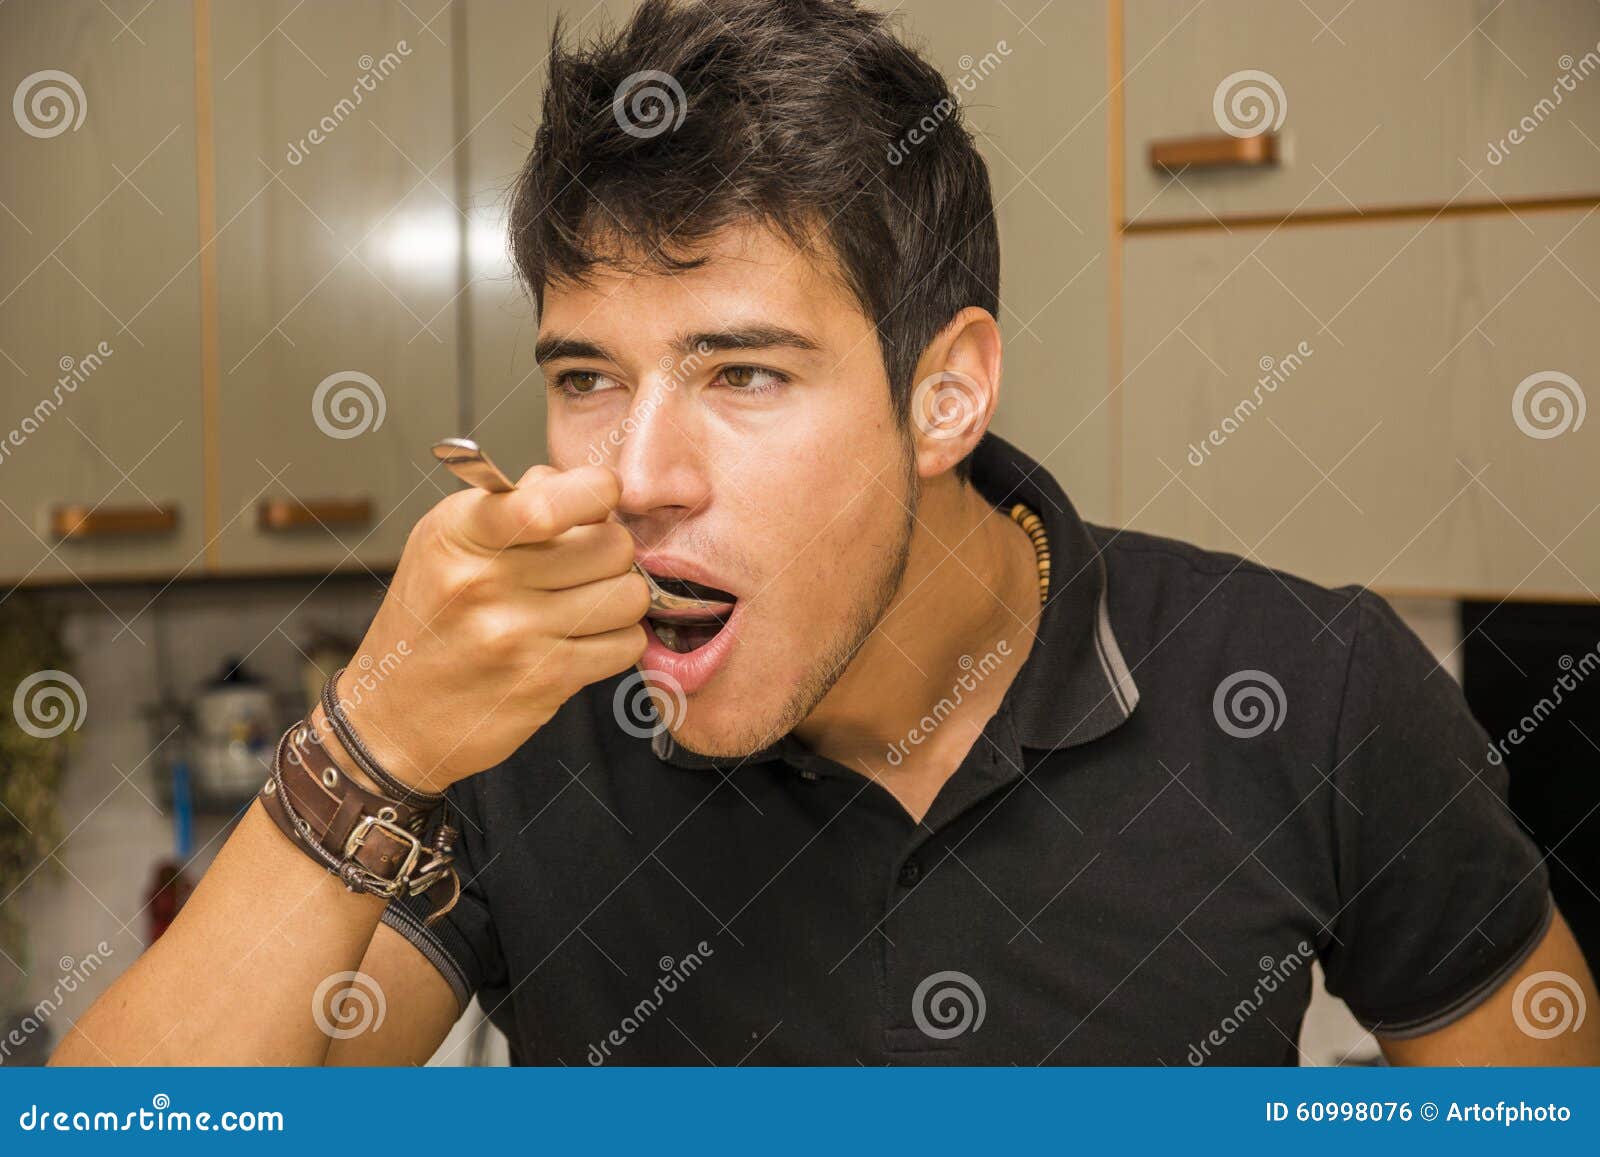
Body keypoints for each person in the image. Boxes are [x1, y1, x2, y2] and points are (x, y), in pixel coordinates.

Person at [55, 0, 1597, 1066]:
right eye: (587, 377)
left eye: (741, 371)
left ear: (947, 392)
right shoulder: (515, 730)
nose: (639, 471)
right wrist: (370, 737)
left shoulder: (1312, 692)